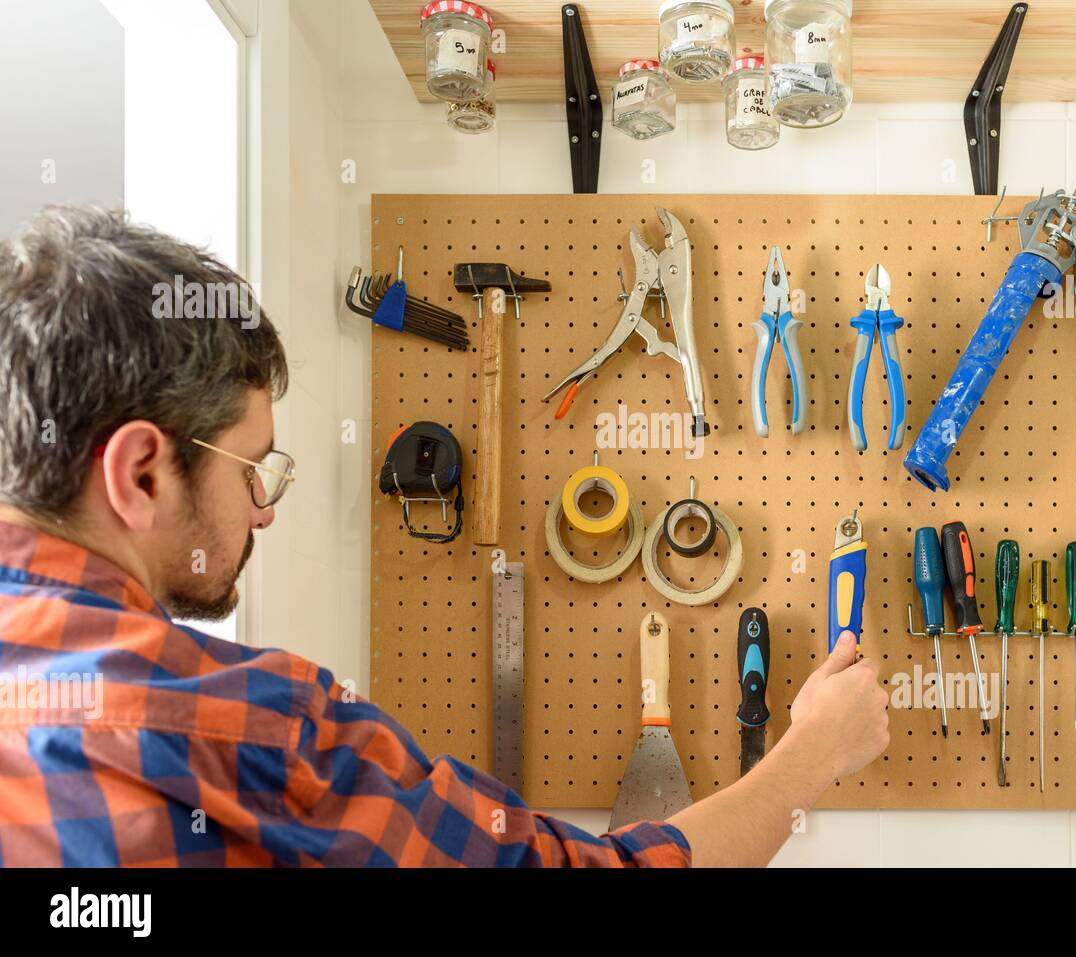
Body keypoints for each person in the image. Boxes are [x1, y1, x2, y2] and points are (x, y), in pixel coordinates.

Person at [0, 206, 890, 868]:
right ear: (142, 473)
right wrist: (813, 750)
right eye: (253, 468)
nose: (266, 510)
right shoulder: (247, 728)